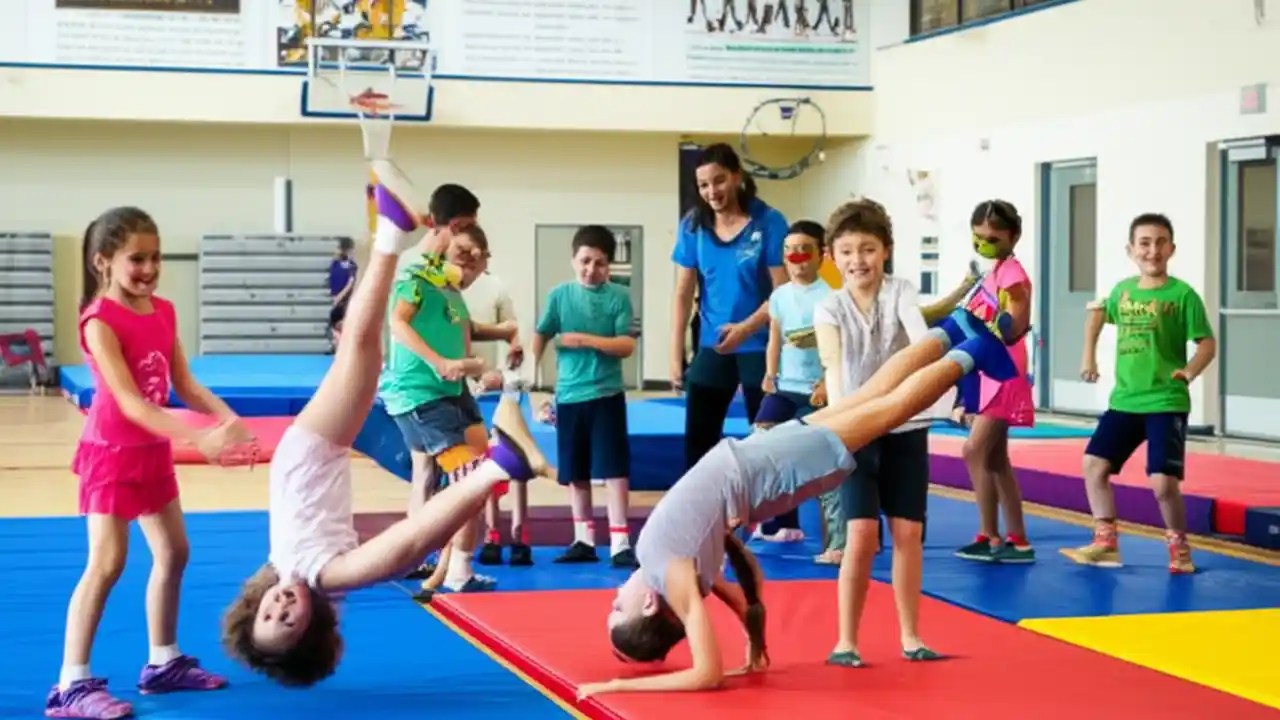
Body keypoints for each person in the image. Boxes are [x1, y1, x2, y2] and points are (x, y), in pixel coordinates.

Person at [583, 300, 1020, 697]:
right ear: (647, 604)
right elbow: (729, 628)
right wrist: (754, 642)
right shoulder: (671, 569)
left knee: (883, 408)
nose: (615, 592)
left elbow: (713, 661)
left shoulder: (672, 569)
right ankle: (951, 332)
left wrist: (620, 685)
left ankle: (968, 351)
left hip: (763, 464)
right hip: (761, 461)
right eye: (616, 605)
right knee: (877, 404)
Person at [221, 161, 550, 688]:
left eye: (267, 615)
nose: (280, 608)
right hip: (315, 455)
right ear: (313, 627)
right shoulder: (315, 577)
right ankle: (393, 233)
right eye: (288, 622)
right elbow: (405, 545)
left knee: (361, 351)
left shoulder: (319, 575)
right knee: (363, 356)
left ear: (254, 606)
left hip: (310, 451)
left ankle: (391, 232)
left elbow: (406, 546)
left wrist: (490, 473)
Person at [46, 207, 256, 719]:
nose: (149, 268)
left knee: (175, 552)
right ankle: (71, 684)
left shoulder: (162, 311)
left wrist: (232, 423)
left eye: (155, 257)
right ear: (103, 262)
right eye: (136, 259)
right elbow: (130, 403)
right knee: (107, 563)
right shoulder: (99, 321)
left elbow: (184, 384)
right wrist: (199, 441)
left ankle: (163, 662)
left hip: (152, 453)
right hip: (112, 454)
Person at [813, 198, 947, 668]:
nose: (858, 261)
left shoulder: (903, 292)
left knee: (909, 532)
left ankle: (911, 635)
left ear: (885, 251)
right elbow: (833, 367)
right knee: (861, 536)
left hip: (907, 426)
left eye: (867, 249)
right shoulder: (828, 308)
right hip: (855, 429)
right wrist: (837, 419)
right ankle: (845, 641)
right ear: (832, 258)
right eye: (847, 252)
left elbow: (920, 339)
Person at [1064, 213, 1215, 574]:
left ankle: (1179, 545)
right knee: (1094, 465)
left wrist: (1189, 371)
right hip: (1126, 400)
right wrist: (1088, 357)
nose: (1153, 250)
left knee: (1163, 483)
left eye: (1161, 242)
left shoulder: (1183, 295)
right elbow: (1098, 314)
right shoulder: (1123, 291)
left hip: (1166, 400)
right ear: (1131, 250)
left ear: (1172, 249)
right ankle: (1106, 541)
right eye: (1145, 243)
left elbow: (1207, 344)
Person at [670, 143, 788, 474]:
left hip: (761, 345)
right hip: (714, 343)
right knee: (698, 442)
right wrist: (674, 354)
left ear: (736, 177)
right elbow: (683, 292)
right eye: (704, 185)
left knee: (767, 441)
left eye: (719, 181)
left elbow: (783, 292)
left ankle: (776, 522)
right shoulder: (693, 226)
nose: (712, 191)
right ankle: (705, 517)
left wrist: (747, 328)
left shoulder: (769, 222)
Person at [532, 225, 639, 568]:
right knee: (575, 471)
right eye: (585, 261)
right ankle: (583, 538)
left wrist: (585, 340)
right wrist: (535, 382)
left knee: (614, 469)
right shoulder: (559, 296)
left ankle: (621, 541)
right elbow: (542, 334)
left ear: (609, 266)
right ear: (573, 260)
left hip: (606, 394)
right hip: (569, 395)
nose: (591, 269)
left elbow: (626, 345)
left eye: (600, 263)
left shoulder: (619, 297)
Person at [953, 200, 1036, 564]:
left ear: (1012, 236)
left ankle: (989, 535)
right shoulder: (995, 271)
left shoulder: (1012, 273)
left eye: (993, 237)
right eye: (978, 237)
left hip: (1004, 372)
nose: (984, 242)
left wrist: (1007, 322)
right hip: (991, 369)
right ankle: (1019, 540)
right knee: (998, 459)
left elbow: (1016, 316)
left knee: (974, 450)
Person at [752, 219, 833, 543]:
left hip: (818, 390)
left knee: (817, 458)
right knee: (763, 439)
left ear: (820, 256)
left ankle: (836, 533)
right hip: (785, 387)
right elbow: (775, 338)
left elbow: (837, 345)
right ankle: (782, 521)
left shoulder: (831, 296)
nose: (796, 258)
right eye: (790, 252)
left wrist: (828, 381)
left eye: (804, 251)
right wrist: (769, 373)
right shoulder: (780, 296)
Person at [328, 237, 357, 353]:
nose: (335, 251)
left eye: (338, 248)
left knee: (340, 323)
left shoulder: (350, 265)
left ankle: (342, 346)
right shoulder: (334, 263)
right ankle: (338, 344)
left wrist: (340, 296)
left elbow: (351, 282)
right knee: (333, 324)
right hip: (335, 298)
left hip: (344, 300)